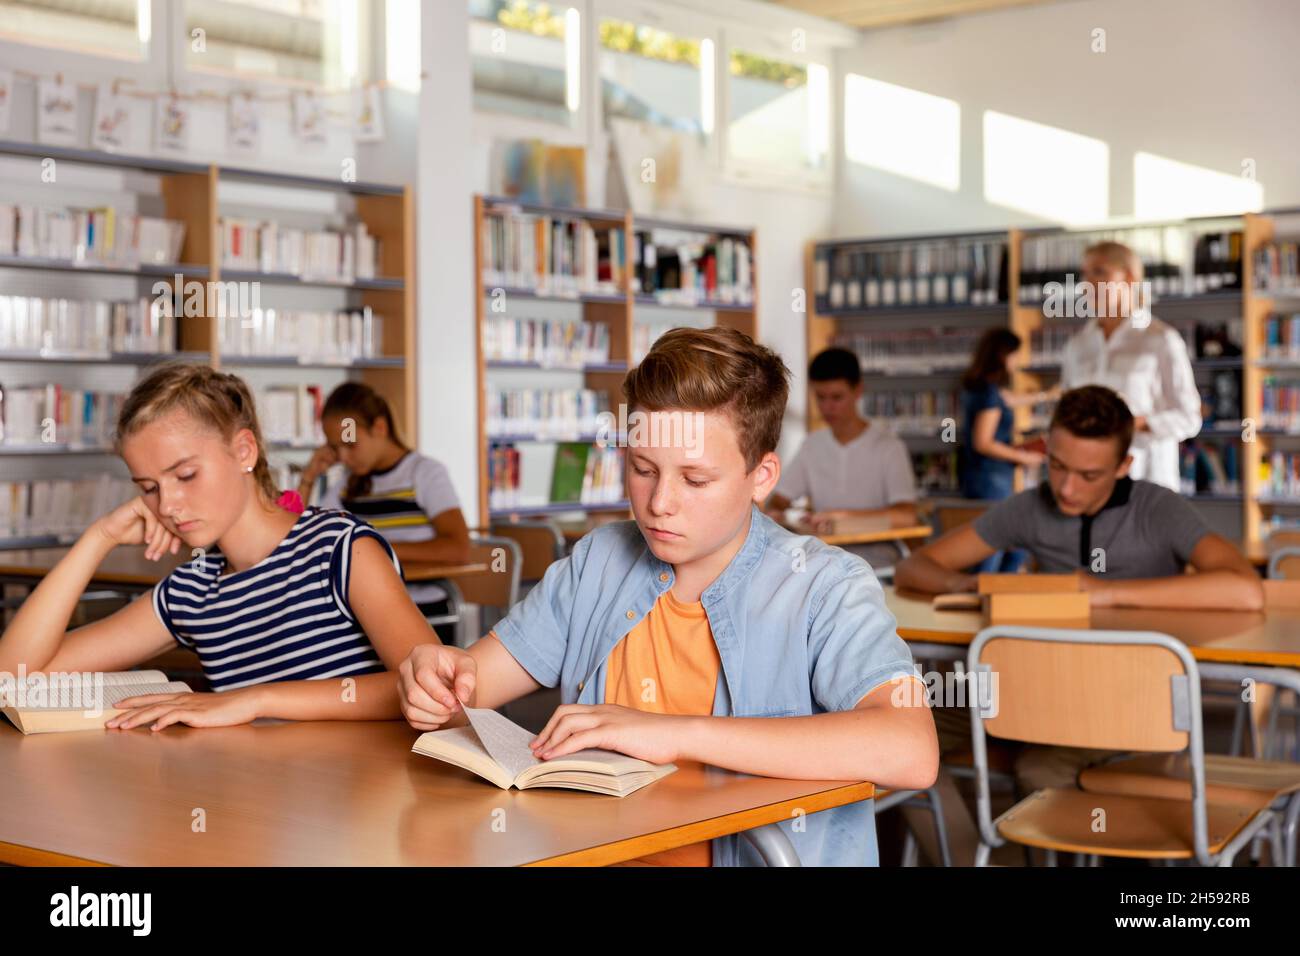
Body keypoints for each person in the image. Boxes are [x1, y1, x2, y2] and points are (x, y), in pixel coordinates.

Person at [397, 327, 938, 866]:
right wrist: (437, 679)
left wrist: (675, 734)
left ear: (762, 476)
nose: (659, 503)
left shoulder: (824, 585)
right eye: (642, 469)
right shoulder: (599, 561)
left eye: (695, 480)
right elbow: (470, 685)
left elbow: (910, 749)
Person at [0, 364, 437, 730]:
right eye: (149, 488)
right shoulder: (191, 590)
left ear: (244, 450)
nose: (167, 505)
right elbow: (14, 677)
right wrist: (99, 538)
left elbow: (430, 685)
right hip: (252, 811)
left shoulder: (341, 550)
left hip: (357, 811)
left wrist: (254, 701)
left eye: (186, 475)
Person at [896, 384, 1261, 610]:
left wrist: (1108, 593)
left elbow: (1246, 591)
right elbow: (911, 568)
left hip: (1142, 693)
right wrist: (966, 585)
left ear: (1123, 465)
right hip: (1053, 684)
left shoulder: (1158, 508)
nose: (1066, 489)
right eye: (1056, 465)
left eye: (1089, 476)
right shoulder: (1029, 507)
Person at [297, 382, 470, 640]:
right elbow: (301, 536)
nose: (343, 457)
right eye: (335, 448)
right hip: (366, 612)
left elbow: (458, 548)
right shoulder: (347, 484)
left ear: (379, 428)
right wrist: (309, 477)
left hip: (424, 612)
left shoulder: (424, 473)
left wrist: (376, 550)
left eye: (350, 445)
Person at [1060, 240, 1201, 491]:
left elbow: (1189, 417)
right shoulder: (1077, 345)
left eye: (1100, 272)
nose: (1087, 284)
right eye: (1085, 274)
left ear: (1129, 278)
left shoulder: (1160, 340)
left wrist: (1133, 423)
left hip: (1146, 481)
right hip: (1089, 485)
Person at [765, 346, 918, 572]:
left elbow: (906, 517)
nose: (827, 407)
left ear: (858, 392)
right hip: (824, 557)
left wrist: (841, 517)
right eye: (820, 398)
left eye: (837, 397)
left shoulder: (889, 448)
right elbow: (777, 502)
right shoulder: (812, 446)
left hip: (878, 560)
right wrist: (782, 514)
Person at [958, 328, 1053, 573]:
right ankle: (989, 593)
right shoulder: (989, 393)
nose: (1018, 361)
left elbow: (1008, 400)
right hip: (992, 481)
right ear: (1003, 355)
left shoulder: (978, 388)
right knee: (994, 545)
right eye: (1015, 355)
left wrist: (1045, 396)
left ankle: (996, 589)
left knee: (1003, 542)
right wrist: (1023, 456)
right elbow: (983, 442)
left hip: (978, 477)